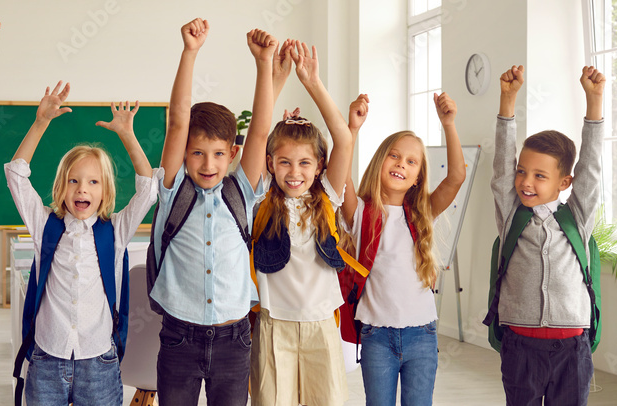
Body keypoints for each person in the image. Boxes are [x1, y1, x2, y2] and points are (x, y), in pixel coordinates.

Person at [5, 81, 157, 406]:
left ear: (105, 191)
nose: (81, 190)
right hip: (47, 358)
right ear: (61, 187)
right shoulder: (44, 224)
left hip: (98, 360)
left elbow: (148, 190)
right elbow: (17, 176)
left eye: (92, 182)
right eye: (73, 181)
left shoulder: (114, 231)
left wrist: (128, 136)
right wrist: (40, 122)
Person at [150, 19, 276, 405]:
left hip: (233, 339)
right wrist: (190, 52)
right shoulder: (174, 191)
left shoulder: (241, 191)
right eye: (198, 153)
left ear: (232, 155)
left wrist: (264, 64)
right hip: (179, 338)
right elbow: (177, 121)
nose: (208, 164)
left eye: (219, 154)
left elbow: (259, 130)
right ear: (185, 153)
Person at [485, 65, 605, 406]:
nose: (525, 181)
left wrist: (594, 102)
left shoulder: (577, 218)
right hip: (519, 344)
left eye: (540, 176)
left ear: (563, 183)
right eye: (523, 172)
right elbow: (501, 167)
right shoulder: (512, 215)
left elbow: (591, 169)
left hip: (572, 347)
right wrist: (507, 100)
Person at [248, 40, 358, 406]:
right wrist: (274, 77)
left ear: (320, 166)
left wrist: (312, 82)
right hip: (273, 323)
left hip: (321, 323)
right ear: (269, 164)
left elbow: (343, 138)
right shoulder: (261, 198)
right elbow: (260, 135)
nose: (294, 173)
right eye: (284, 162)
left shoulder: (326, 197)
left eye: (305, 163)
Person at [340, 91, 465, 406]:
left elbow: (456, 177)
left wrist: (448, 123)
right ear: (381, 161)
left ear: (418, 176)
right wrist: (352, 130)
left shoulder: (423, 214)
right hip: (376, 337)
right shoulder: (361, 212)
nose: (401, 164)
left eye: (411, 161)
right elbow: (340, 177)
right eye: (394, 156)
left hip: (422, 336)